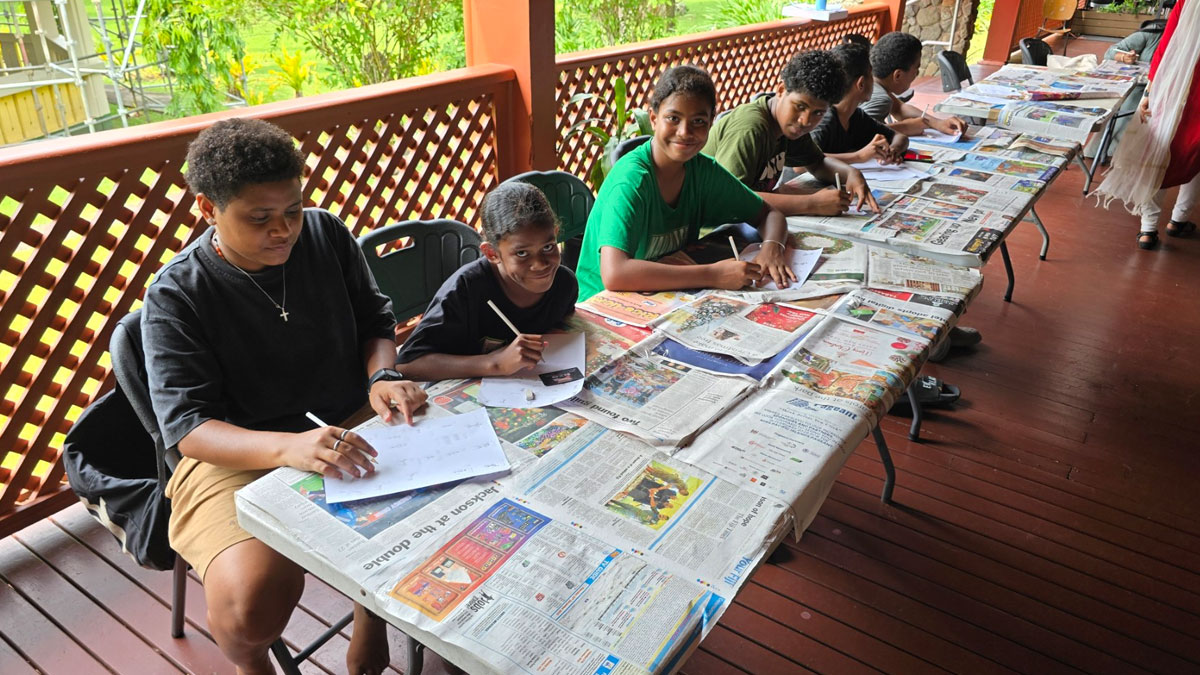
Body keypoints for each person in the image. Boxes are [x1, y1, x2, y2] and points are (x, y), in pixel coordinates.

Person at [142, 117, 429, 675]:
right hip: (235, 454)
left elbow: (377, 321)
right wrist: (288, 448)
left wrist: (380, 379)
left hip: (347, 416)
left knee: (448, 502)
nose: (285, 231)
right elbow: (189, 428)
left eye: (293, 210)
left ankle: (368, 609)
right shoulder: (178, 294)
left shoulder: (325, 234)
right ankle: (254, 666)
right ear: (207, 209)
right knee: (247, 610)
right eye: (260, 218)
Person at [575, 64, 794, 301]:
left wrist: (772, 248)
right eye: (673, 118)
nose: (684, 132)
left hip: (665, 293)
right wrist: (713, 275)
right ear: (653, 118)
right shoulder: (632, 181)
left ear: (711, 122)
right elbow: (615, 274)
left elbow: (769, 213)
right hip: (602, 302)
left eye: (698, 121)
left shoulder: (702, 171)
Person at [397, 182, 578, 379]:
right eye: (522, 253)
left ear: (556, 233)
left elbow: (559, 325)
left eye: (548, 247)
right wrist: (494, 364)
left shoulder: (564, 285)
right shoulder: (465, 291)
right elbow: (407, 364)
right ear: (492, 253)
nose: (541, 264)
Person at [702, 49, 880, 215]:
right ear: (781, 91)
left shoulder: (789, 128)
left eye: (818, 113)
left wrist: (851, 173)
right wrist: (812, 203)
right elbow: (731, 200)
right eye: (800, 106)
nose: (805, 121)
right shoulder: (751, 128)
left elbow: (817, 163)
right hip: (711, 229)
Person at [1094, 0, 1200, 250]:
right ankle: (1179, 219)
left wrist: (1150, 91)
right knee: (1195, 156)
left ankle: (1148, 229)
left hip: (1174, 88)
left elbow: (1167, 45)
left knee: (1159, 150)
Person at [810, 43, 909, 165]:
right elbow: (801, 165)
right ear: (861, 84)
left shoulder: (856, 116)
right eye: (871, 76)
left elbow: (900, 137)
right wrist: (859, 156)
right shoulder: (823, 119)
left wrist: (892, 151)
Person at [1084, 21, 1165, 163]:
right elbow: (1111, 52)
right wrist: (1124, 57)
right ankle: (1112, 152)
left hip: (1162, 91)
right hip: (1138, 88)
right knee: (1129, 109)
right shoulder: (1149, 35)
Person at [861, 31, 967, 137]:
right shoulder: (880, 99)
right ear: (897, 75)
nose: (917, 73)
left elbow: (899, 108)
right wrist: (905, 127)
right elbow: (860, 135)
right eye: (916, 69)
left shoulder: (872, 84)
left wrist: (936, 123)